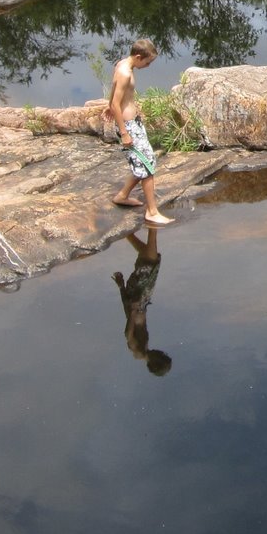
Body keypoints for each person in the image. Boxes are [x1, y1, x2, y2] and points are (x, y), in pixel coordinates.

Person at [109, 37, 173, 226]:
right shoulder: (125, 72)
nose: (148, 65)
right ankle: (152, 212)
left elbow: (113, 91)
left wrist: (107, 106)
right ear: (138, 56)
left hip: (134, 124)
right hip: (129, 127)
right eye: (148, 61)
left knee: (146, 160)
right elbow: (116, 102)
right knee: (147, 166)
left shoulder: (123, 65)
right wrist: (124, 132)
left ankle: (122, 196)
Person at [112, 228, 172, 376]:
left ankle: (152, 223)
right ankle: (127, 233)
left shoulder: (138, 352)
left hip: (136, 300)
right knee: (149, 259)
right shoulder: (145, 347)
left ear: (155, 362)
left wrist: (132, 310)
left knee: (149, 262)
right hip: (141, 300)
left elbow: (128, 334)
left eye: (161, 355)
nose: (160, 352)